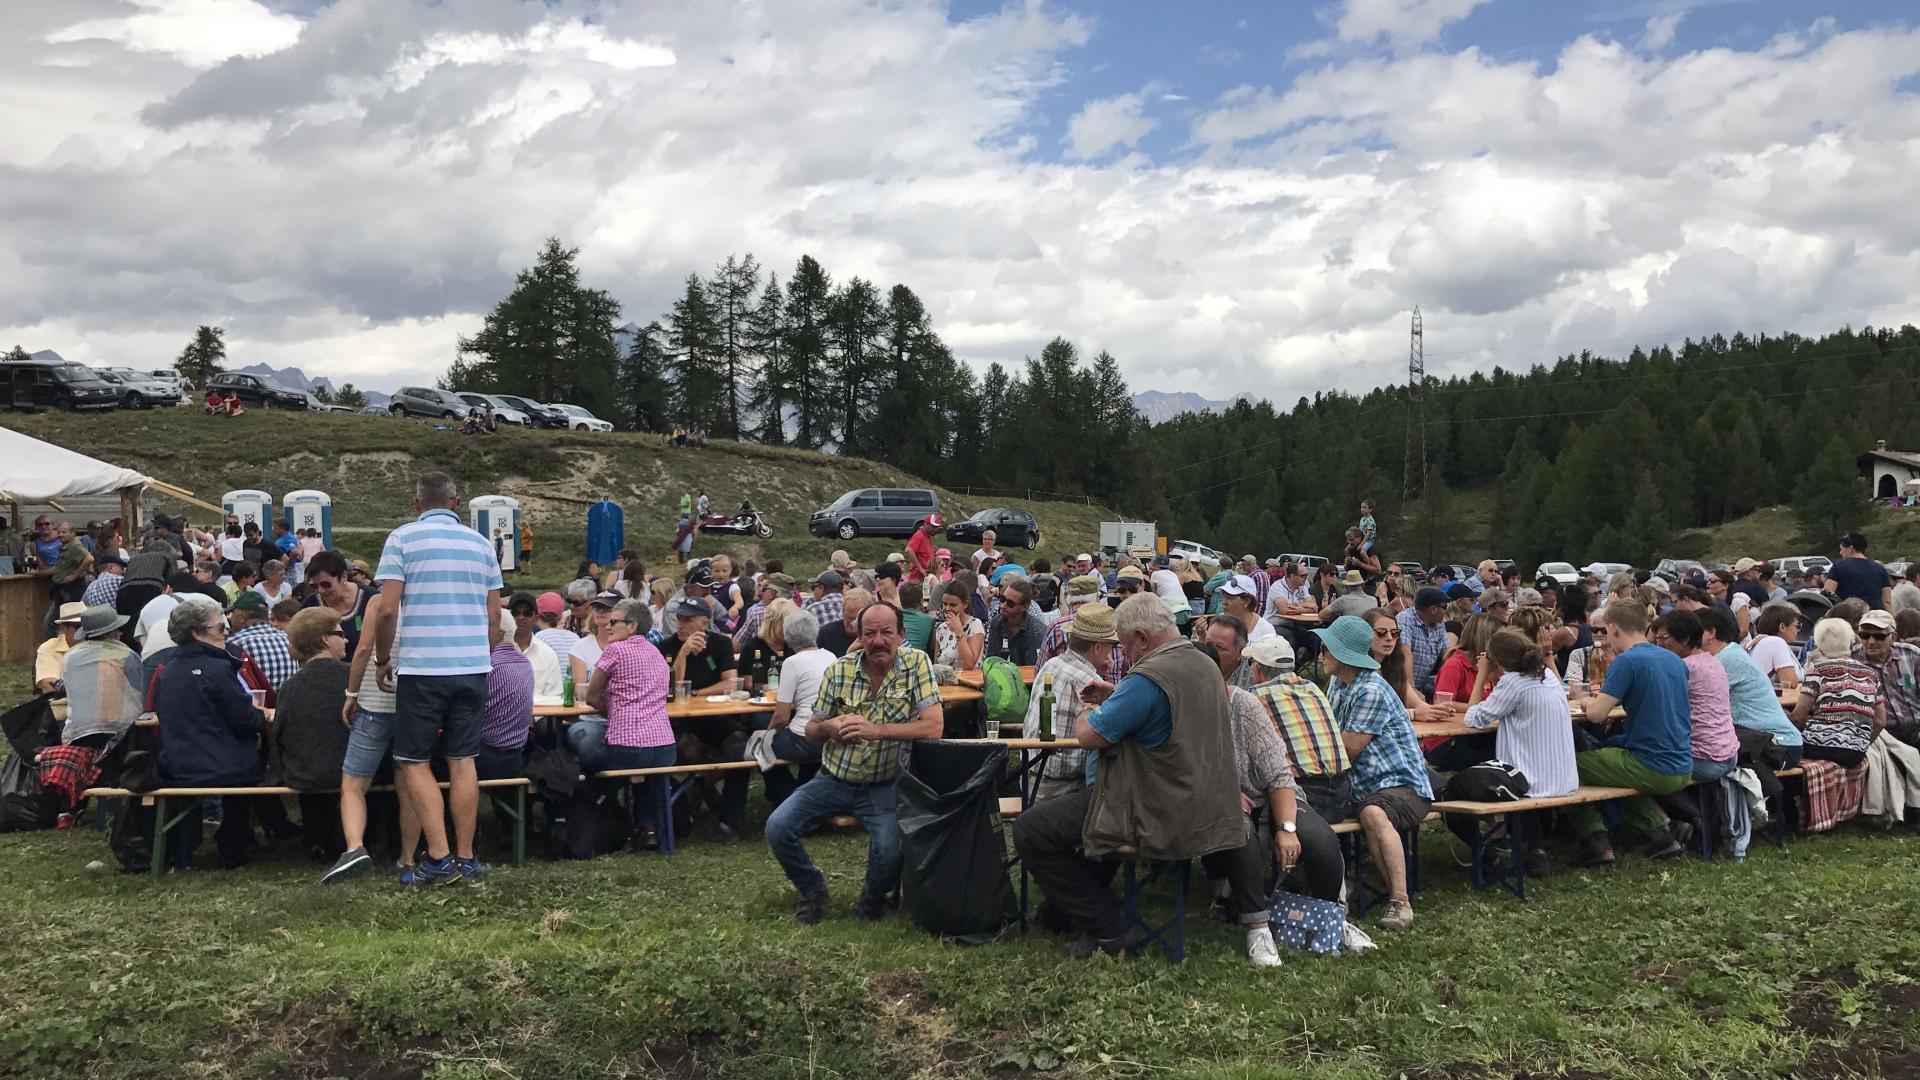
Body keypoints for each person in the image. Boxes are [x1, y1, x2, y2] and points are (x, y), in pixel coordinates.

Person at [1012, 594, 1243, 957]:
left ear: (1142, 638)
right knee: (1085, 827)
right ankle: (1061, 914)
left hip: (1154, 808)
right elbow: (1159, 707)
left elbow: (1091, 737)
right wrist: (1117, 694)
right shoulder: (1204, 665)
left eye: (1124, 645)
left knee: (1031, 830)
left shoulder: (1150, 674)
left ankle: (1110, 927)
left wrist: (1087, 710)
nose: (1123, 654)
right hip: (1205, 805)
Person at [765, 602, 945, 925]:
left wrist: (877, 732)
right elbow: (810, 729)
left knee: (890, 849)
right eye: (870, 633)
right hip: (833, 778)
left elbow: (934, 726)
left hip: (885, 783)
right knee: (778, 827)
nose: (878, 640)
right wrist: (829, 728)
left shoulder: (917, 664)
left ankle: (872, 899)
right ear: (858, 636)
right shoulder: (840, 669)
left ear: (902, 635)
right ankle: (813, 889)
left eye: (887, 632)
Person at [370, 471, 504, 886]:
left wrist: (381, 658)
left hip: (424, 666)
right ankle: (466, 858)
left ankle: (439, 858)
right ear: (455, 502)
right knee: (463, 761)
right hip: (472, 666)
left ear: (416, 506)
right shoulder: (482, 545)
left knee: (413, 760)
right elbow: (495, 617)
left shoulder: (403, 539)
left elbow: (387, 609)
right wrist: (477, 649)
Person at [1314, 615, 1433, 932]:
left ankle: (1400, 901)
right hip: (1361, 787)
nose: (1320, 654)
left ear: (1340, 654)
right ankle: (1333, 887)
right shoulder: (1340, 683)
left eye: (1325, 648)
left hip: (1404, 787)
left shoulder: (1371, 690)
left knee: (1373, 813)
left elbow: (1347, 749)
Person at [1573, 600, 1696, 866]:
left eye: (1604, 631)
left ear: (1614, 629)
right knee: (1609, 759)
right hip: (1684, 762)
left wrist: (1584, 702)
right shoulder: (1673, 659)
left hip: (1652, 766)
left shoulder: (1626, 661)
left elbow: (1596, 715)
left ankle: (1595, 839)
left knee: (1568, 767)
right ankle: (1658, 833)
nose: (1604, 637)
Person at [153, 602, 263, 869]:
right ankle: (235, 847)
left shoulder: (166, 671)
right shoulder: (217, 669)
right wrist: (262, 714)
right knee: (255, 761)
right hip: (225, 766)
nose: (226, 633)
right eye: (220, 627)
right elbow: (245, 721)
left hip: (177, 763)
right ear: (197, 633)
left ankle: (186, 847)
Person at [719, 608, 835, 837]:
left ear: (789, 637)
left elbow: (781, 716)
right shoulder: (830, 657)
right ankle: (794, 802)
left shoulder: (793, 662)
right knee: (766, 753)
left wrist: (765, 735)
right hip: (827, 737)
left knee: (740, 752)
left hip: (803, 737)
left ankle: (730, 822)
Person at [269, 608, 353, 861]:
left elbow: (279, 734)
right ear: (325, 639)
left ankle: (317, 842)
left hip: (305, 775)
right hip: (355, 774)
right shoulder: (353, 678)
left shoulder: (290, 686)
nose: (346, 638)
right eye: (340, 633)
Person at [1462, 628, 1580, 800]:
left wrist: (1482, 673)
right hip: (1564, 782)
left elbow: (1472, 718)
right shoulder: (1547, 675)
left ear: (1498, 661)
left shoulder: (1513, 682)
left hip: (1530, 785)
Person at [1023, 602, 1120, 801]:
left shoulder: (1052, 664)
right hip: (1063, 786)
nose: (1111, 652)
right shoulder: (1087, 680)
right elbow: (1108, 729)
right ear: (1097, 647)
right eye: (1111, 645)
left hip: (1031, 773)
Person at [1694, 606, 1803, 768]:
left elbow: (1695, 701)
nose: (1687, 638)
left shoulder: (1727, 659)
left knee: (1704, 761)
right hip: (1761, 739)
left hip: (1778, 745)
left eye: (1692, 632)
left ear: (1710, 633)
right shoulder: (1728, 653)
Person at [1650, 610, 1739, 784]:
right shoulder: (1712, 660)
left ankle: (1676, 812)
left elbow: (1654, 705)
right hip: (1729, 754)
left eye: (1663, 638)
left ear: (1684, 639)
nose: (1658, 644)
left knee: (1644, 767)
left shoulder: (1683, 666)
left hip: (1704, 760)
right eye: (1657, 639)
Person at [1792, 618, 1884, 768]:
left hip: (1817, 747)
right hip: (1855, 753)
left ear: (1820, 644)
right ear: (1850, 642)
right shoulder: (1871, 674)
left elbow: (1798, 716)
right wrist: (1861, 743)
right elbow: (1880, 721)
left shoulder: (1818, 669)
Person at [1855, 609, 1920, 748]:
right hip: (1881, 736)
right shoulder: (1852, 661)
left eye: (1879, 636)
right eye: (1864, 635)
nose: (1871, 642)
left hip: (1916, 728)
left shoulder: (1911, 655)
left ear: (1893, 637)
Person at [226, 590, 297, 690]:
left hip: (255, 704)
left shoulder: (234, 643)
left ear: (242, 617)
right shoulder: (288, 639)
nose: (230, 618)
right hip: (287, 703)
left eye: (232, 614)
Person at [507, 592, 563, 703]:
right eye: (515, 613)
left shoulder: (548, 654)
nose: (521, 617)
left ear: (536, 618)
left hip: (540, 717)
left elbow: (555, 696)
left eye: (527, 613)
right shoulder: (496, 651)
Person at [1396, 588, 1451, 699]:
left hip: (1422, 685)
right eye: (1444, 607)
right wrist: (1412, 690)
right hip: (1399, 686)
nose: (1446, 611)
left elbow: (1447, 653)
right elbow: (1405, 652)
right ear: (1434, 609)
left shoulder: (1439, 624)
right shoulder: (1405, 619)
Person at [36, 603, 84, 725]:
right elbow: (48, 684)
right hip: (60, 712)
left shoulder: (94, 645)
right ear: (63, 628)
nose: (84, 632)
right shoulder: (49, 648)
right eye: (78, 627)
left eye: (87, 626)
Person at [985, 577, 1046, 665]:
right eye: (1003, 599)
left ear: (1024, 607)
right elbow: (991, 658)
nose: (1003, 606)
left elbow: (1032, 668)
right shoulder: (996, 622)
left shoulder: (1036, 631)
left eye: (1010, 603)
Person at [1826, 532, 1892, 610]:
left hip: (1848, 615)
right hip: (1873, 617)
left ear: (1850, 548)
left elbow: (1828, 595)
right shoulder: (1880, 569)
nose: (1840, 553)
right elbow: (1887, 601)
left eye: (1841, 549)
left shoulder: (1838, 567)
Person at [1746, 603, 1804, 691]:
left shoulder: (1761, 641)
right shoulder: (1775, 642)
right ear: (1782, 627)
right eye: (1797, 626)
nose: (1798, 631)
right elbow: (1791, 682)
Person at [932, 585, 985, 670]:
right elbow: (936, 663)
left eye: (953, 605)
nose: (947, 608)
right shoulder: (941, 628)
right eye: (945, 604)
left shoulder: (975, 625)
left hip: (967, 681)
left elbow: (969, 664)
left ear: (965, 604)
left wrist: (958, 630)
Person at [1203, 615, 1256, 690]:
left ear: (1240, 652)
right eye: (1208, 644)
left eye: (1220, 647)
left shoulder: (1254, 677)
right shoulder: (1195, 667)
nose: (1211, 651)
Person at [897, 582, 934, 652]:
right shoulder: (928, 620)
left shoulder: (893, 615)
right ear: (921, 601)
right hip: (916, 659)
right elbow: (932, 646)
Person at [905, 515, 938, 584]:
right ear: (926, 524)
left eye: (936, 527)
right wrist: (921, 569)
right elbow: (908, 550)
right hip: (917, 576)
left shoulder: (927, 536)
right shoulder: (919, 535)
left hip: (924, 576)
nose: (934, 529)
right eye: (933, 527)